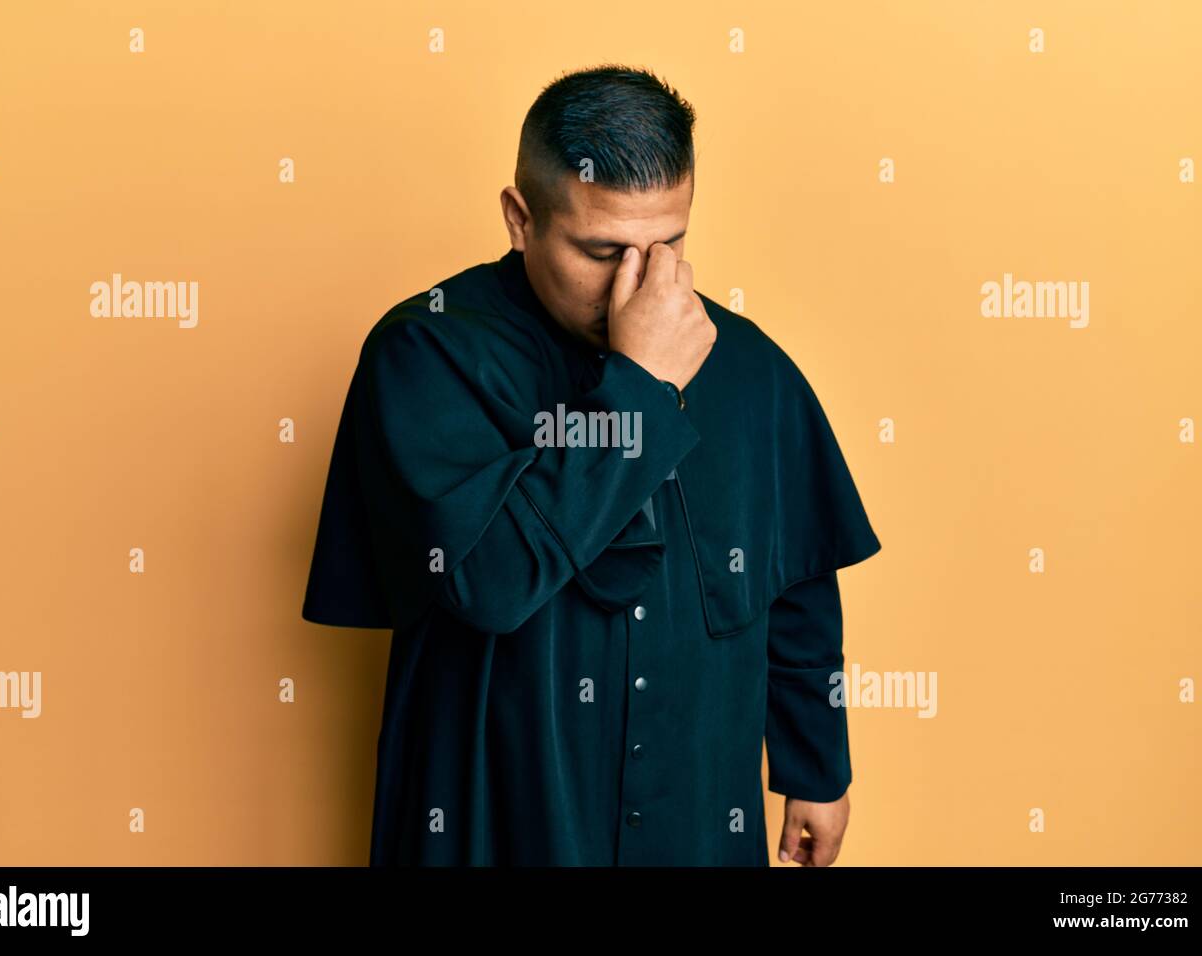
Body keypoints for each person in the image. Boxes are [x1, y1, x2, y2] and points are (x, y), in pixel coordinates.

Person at [302, 63, 882, 866]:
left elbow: (796, 581)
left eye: (669, 243)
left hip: (698, 809)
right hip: (497, 812)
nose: (639, 285)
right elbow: (487, 578)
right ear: (519, 218)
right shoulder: (425, 353)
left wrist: (817, 767)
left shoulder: (750, 365)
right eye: (602, 250)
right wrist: (640, 388)